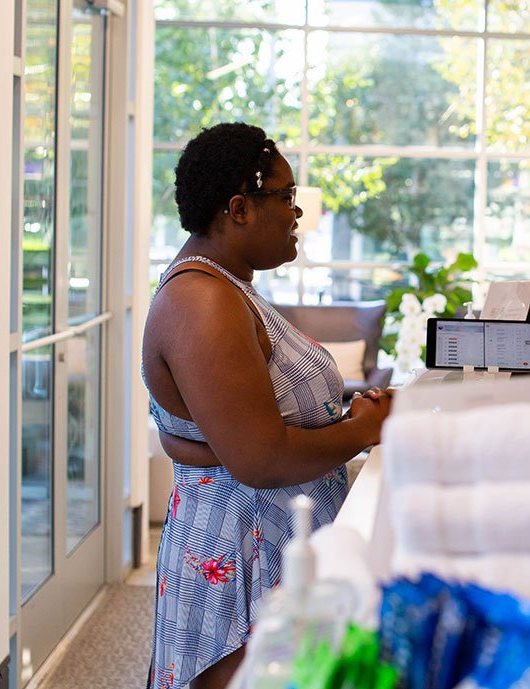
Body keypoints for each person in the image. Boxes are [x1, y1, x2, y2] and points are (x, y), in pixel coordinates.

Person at [142, 122, 392, 689]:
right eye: (286, 196)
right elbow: (259, 458)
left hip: (274, 541)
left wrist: (352, 412)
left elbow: (247, 422)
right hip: (242, 558)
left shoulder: (232, 287)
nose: (296, 212)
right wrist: (363, 429)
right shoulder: (201, 302)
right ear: (239, 208)